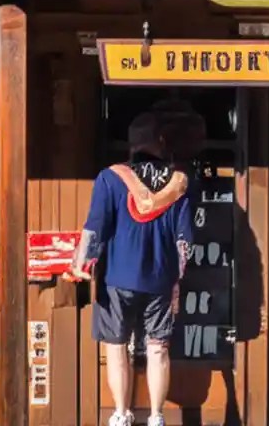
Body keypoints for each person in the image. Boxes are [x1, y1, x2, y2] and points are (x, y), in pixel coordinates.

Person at [68, 112, 193, 426]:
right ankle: (157, 416)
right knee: (158, 349)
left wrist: (81, 262)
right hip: (160, 280)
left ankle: (121, 414)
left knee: (116, 346)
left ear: (132, 144)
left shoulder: (110, 178)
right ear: (160, 142)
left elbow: (95, 227)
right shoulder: (179, 183)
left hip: (116, 278)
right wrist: (175, 278)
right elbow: (185, 241)